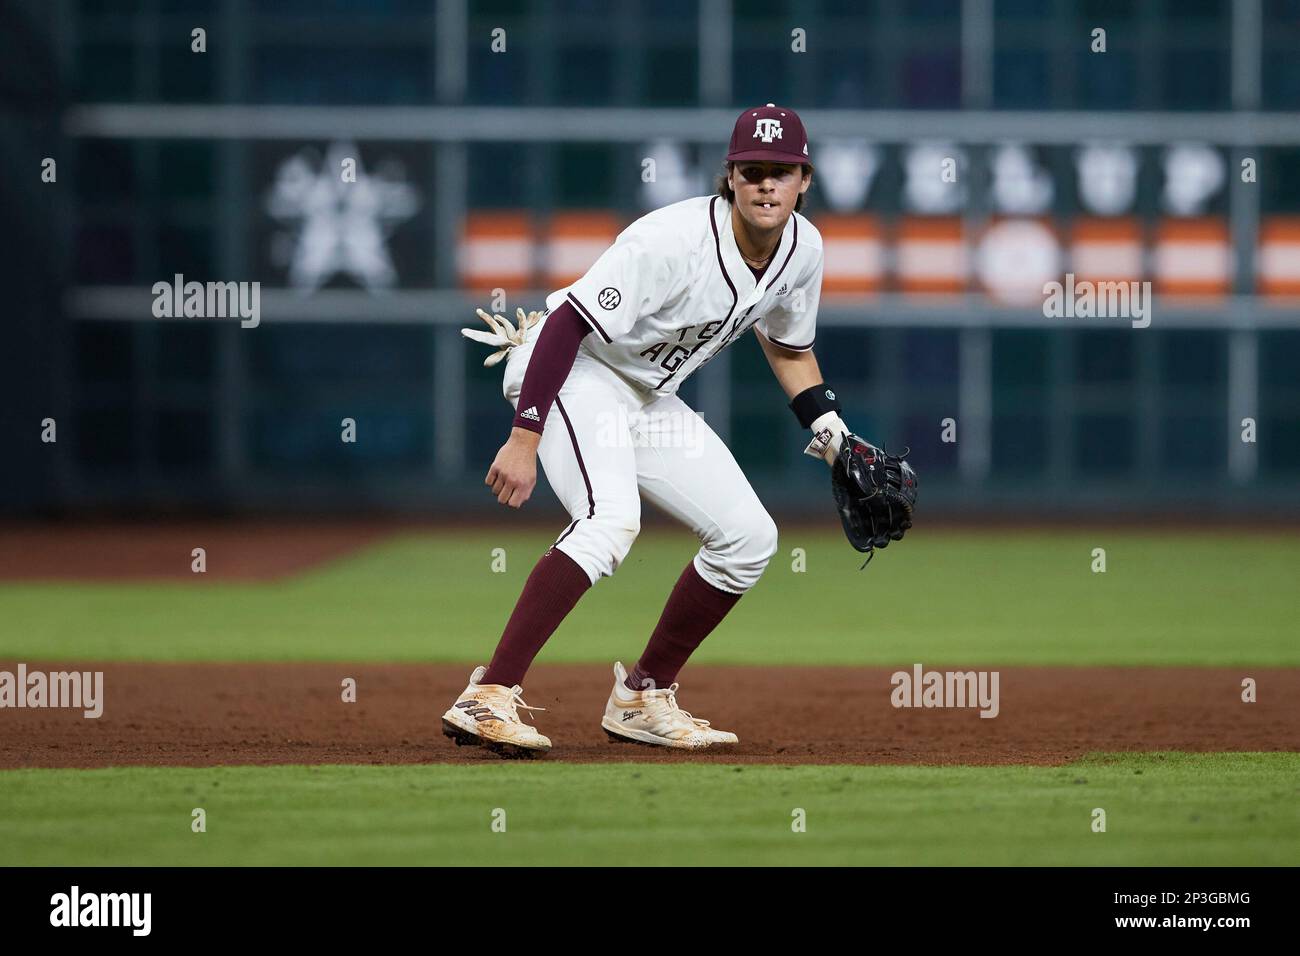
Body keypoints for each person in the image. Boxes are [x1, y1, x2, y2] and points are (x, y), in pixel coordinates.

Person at [442, 104, 858, 758]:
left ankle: (642, 696)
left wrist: (833, 439)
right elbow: (566, 325)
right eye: (753, 171)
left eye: (783, 171)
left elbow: (789, 347)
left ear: (805, 179)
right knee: (610, 520)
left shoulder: (804, 249)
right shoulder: (671, 241)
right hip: (573, 369)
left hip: (643, 393)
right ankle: (488, 693)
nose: (767, 184)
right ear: (730, 177)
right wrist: (525, 436)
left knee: (749, 538)